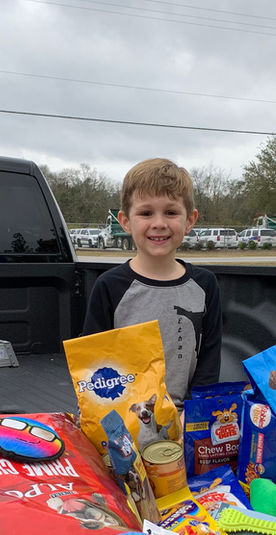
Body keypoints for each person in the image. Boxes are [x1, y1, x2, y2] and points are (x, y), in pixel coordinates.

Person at [82, 158, 222, 407]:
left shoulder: (205, 285)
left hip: (186, 417)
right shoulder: (109, 286)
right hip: (127, 416)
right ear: (125, 221)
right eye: (146, 213)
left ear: (190, 220)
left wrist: (194, 412)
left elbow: (209, 360)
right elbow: (95, 365)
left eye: (171, 212)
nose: (159, 223)